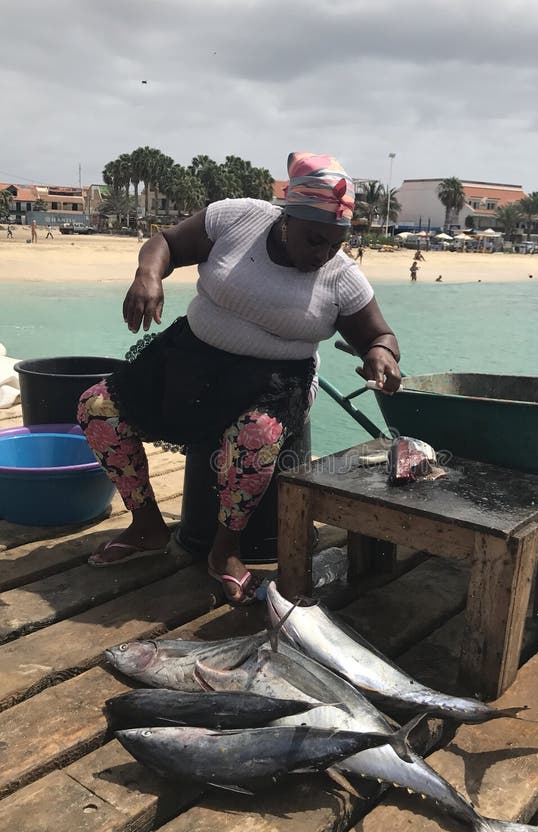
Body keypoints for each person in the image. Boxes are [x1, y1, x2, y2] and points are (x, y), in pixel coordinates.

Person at [77, 151, 401, 605]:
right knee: (97, 408)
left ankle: (224, 550)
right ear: (287, 217)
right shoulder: (238, 219)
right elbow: (165, 243)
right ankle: (147, 525)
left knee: (256, 435)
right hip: (191, 356)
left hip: (278, 379)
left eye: (336, 244)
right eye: (314, 240)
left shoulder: (341, 277)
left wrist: (381, 355)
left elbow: (379, 335)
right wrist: (148, 274)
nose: (323, 254)